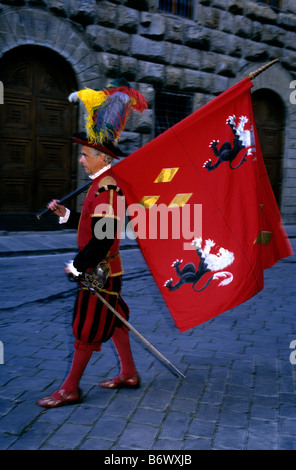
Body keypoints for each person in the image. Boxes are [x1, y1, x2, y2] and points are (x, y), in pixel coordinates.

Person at [37, 79, 147, 408]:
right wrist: (65, 213)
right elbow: (90, 223)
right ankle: (128, 373)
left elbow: (101, 239)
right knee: (116, 318)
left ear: (101, 155)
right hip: (103, 268)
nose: (82, 160)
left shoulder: (107, 188)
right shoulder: (101, 184)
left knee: (86, 327)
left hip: (99, 270)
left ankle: (70, 389)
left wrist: (77, 266)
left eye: (86, 155)